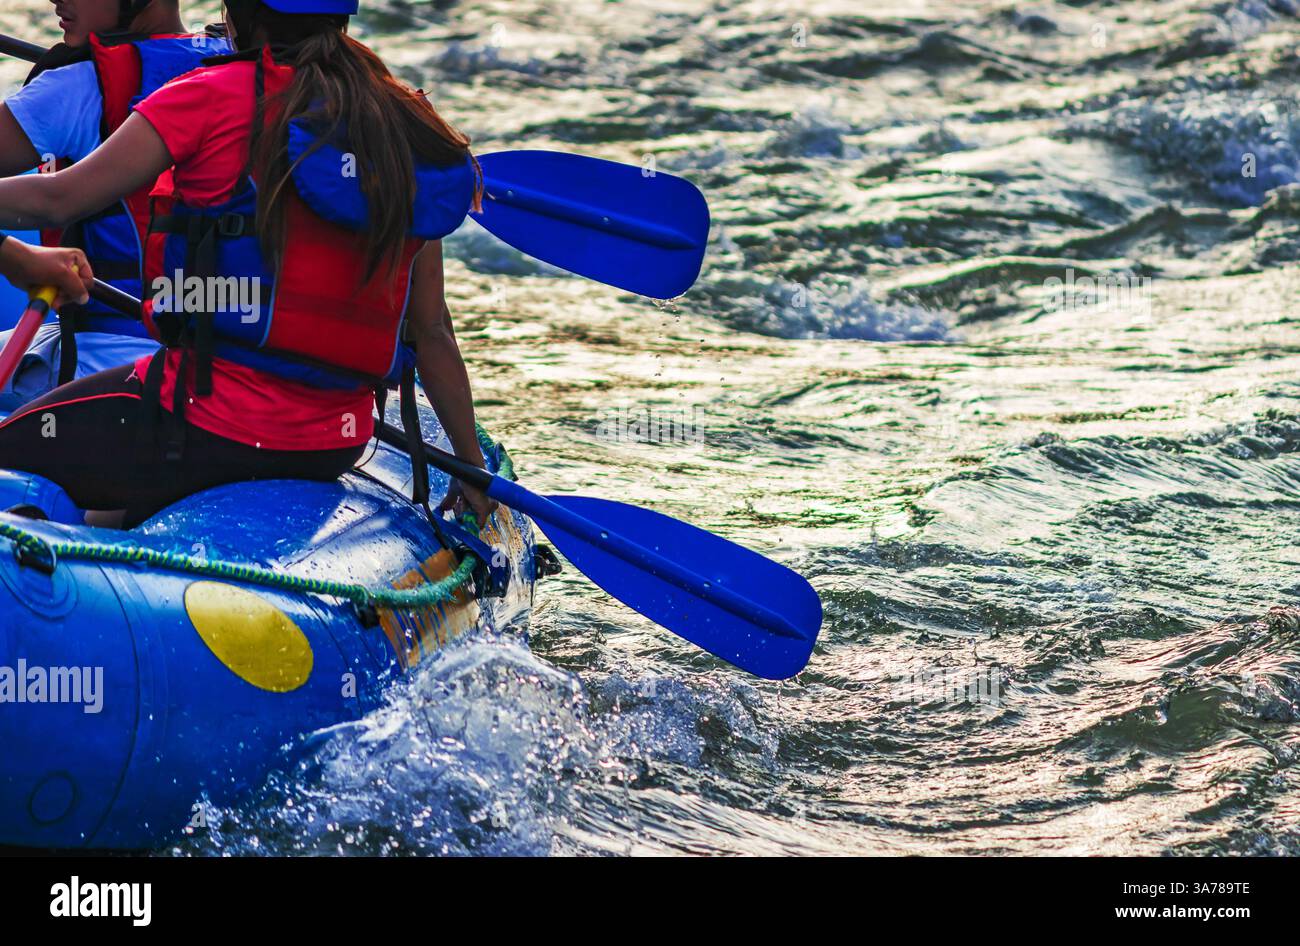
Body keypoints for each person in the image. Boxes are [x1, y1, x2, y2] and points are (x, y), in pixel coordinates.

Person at [0, 0, 495, 528]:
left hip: (200, 426)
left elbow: (56, 200)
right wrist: (470, 468)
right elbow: (433, 329)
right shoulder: (405, 125)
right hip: (335, 443)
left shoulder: (206, 96)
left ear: (236, 16)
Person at [0, 0, 227, 407]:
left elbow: (53, 202)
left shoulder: (80, 84)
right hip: (230, 360)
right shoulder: (238, 66)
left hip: (102, 359)